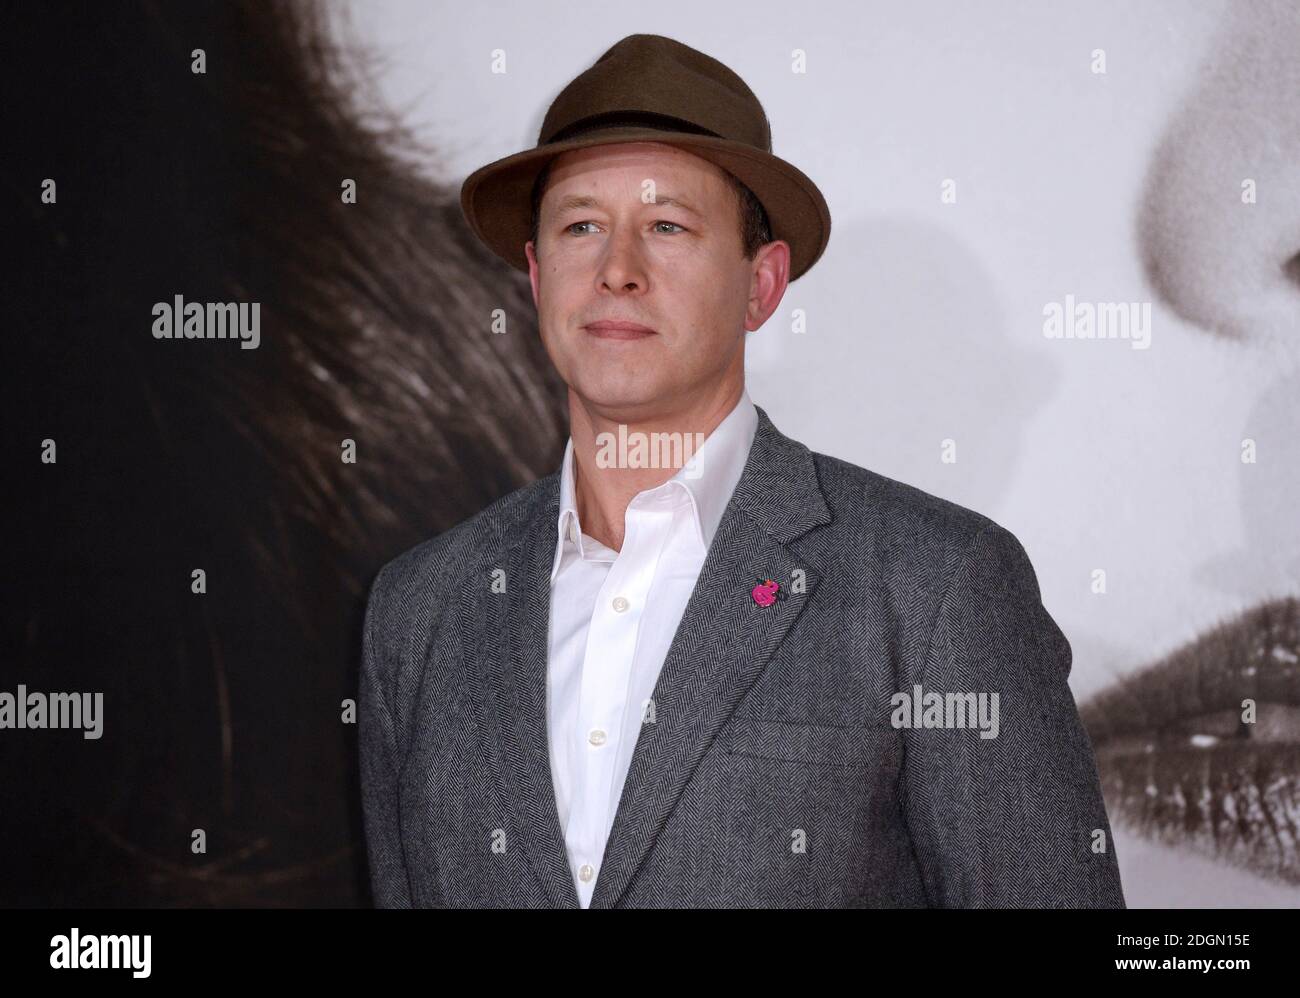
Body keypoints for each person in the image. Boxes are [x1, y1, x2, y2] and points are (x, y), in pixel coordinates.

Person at [358, 33, 1125, 908]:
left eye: (668, 228)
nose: (618, 271)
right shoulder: (419, 609)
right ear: (536, 276)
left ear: (761, 285)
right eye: (581, 226)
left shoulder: (935, 585)